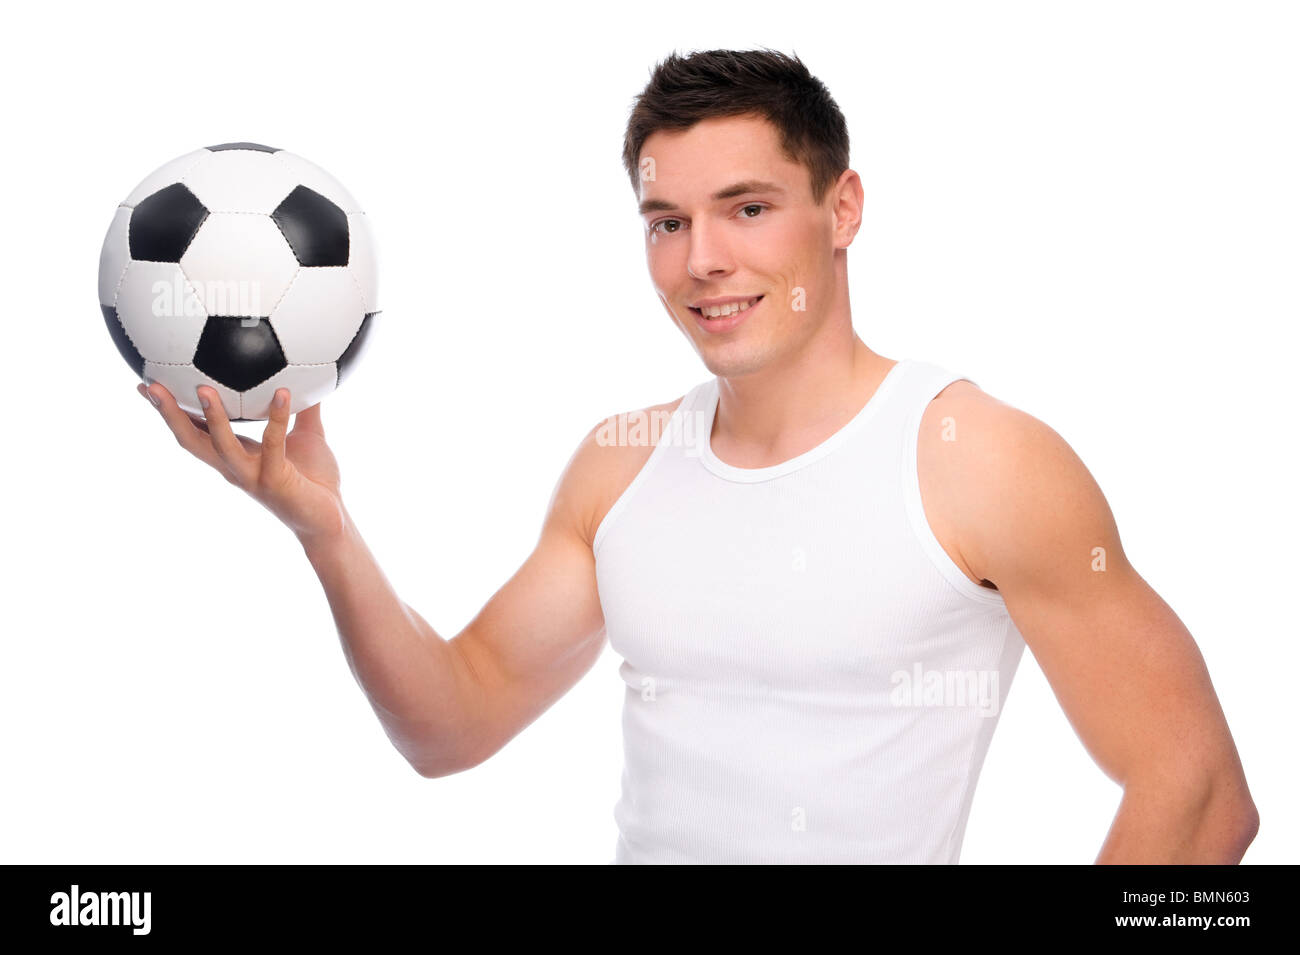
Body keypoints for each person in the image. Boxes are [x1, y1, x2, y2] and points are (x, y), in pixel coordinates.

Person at [137, 49, 1258, 864]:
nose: (702, 260)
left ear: (842, 207)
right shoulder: (620, 466)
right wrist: (326, 530)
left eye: (747, 207)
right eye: (665, 221)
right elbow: (451, 723)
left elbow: (1201, 794)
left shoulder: (976, 460)